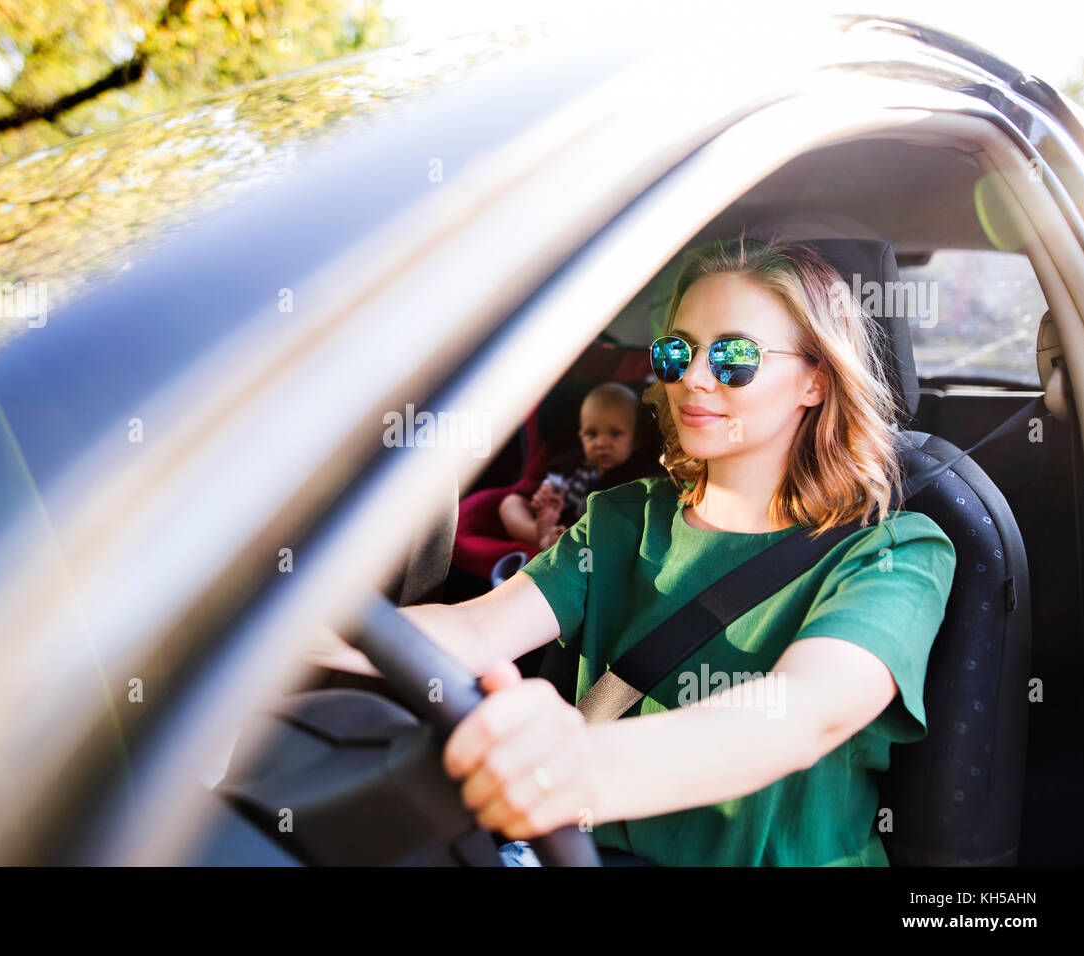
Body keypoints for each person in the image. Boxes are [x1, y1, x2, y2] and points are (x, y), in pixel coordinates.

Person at [309, 235, 957, 866]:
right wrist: (275, 639)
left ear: (815, 380)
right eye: (678, 353)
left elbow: (798, 717)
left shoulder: (896, 553)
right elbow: (475, 627)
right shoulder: (623, 518)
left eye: (734, 356)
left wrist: (575, 770)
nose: (694, 378)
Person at [498, 383, 647, 552]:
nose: (601, 443)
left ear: (635, 440)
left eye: (614, 434)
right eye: (592, 434)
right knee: (511, 503)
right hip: (555, 520)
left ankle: (561, 542)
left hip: (588, 535)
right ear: (581, 436)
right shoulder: (572, 463)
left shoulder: (634, 478)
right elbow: (553, 486)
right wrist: (544, 498)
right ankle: (540, 536)